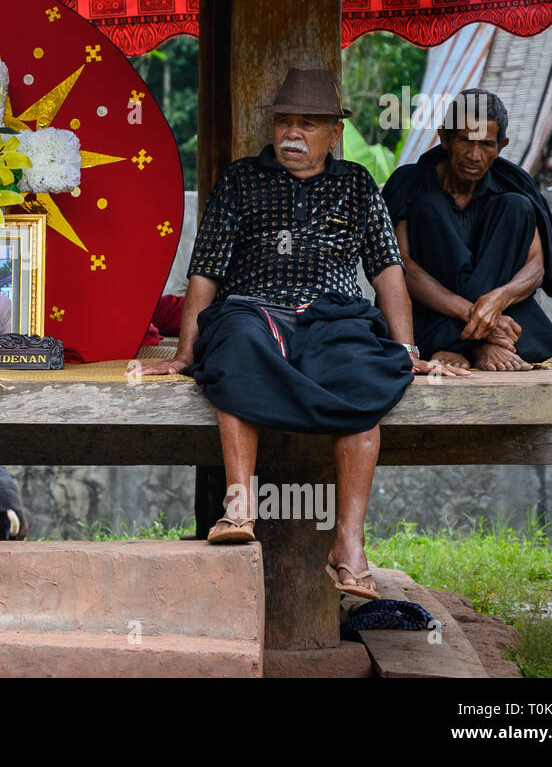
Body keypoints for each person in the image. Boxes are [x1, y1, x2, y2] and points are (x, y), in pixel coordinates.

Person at [140, 68, 467, 599]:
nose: (292, 133)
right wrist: (184, 351)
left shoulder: (358, 184)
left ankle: (349, 544)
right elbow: (205, 270)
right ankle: (239, 504)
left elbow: (388, 272)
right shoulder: (242, 180)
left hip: (333, 316)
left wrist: (408, 350)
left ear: (333, 135)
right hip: (254, 309)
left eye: (308, 124)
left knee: (367, 374)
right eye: (285, 122)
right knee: (236, 347)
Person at [381, 89, 552, 371]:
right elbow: (402, 267)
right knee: (428, 206)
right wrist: (476, 316)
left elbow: (536, 268)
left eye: (486, 144)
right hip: (430, 310)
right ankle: (475, 343)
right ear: (444, 138)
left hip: (485, 316)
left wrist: (498, 300)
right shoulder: (412, 182)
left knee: (517, 206)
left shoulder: (513, 183)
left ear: (502, 145)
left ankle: (461, 345)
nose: (474, 155)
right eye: (465, 141)